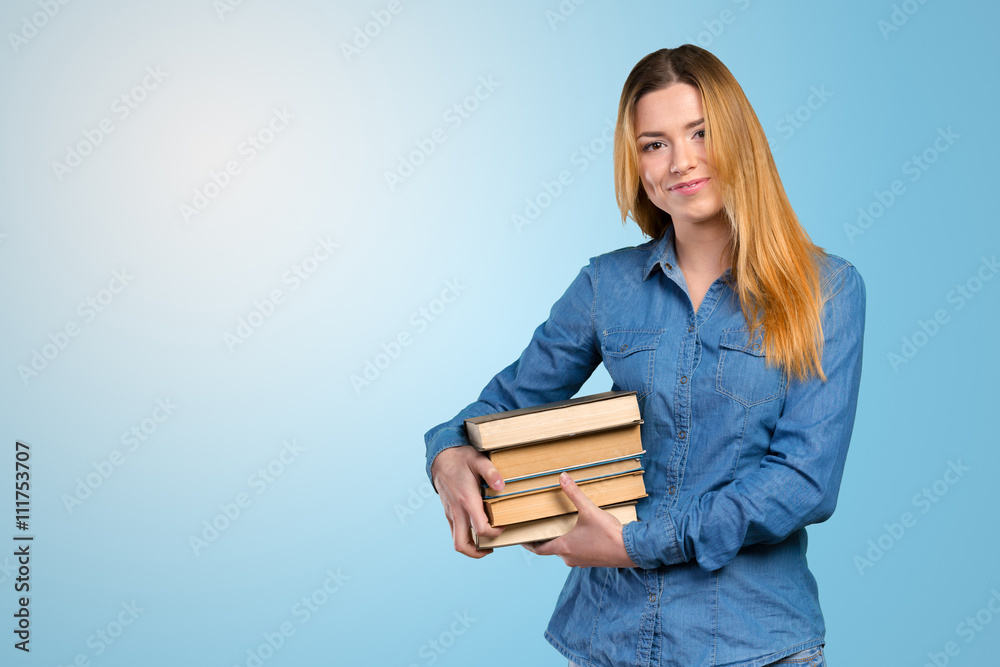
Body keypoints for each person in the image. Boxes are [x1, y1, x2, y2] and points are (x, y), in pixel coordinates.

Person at [424, 44, 864, 667]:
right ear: (636, 164)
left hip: (752, 648)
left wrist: (637, 543)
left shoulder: (828, 290)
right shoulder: (607, 287)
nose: (682, 162)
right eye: (654, 143)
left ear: (740, 138)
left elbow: (804, 483)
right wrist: (446, 454)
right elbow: (505, 406)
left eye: (701, 133)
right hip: (607, 641)